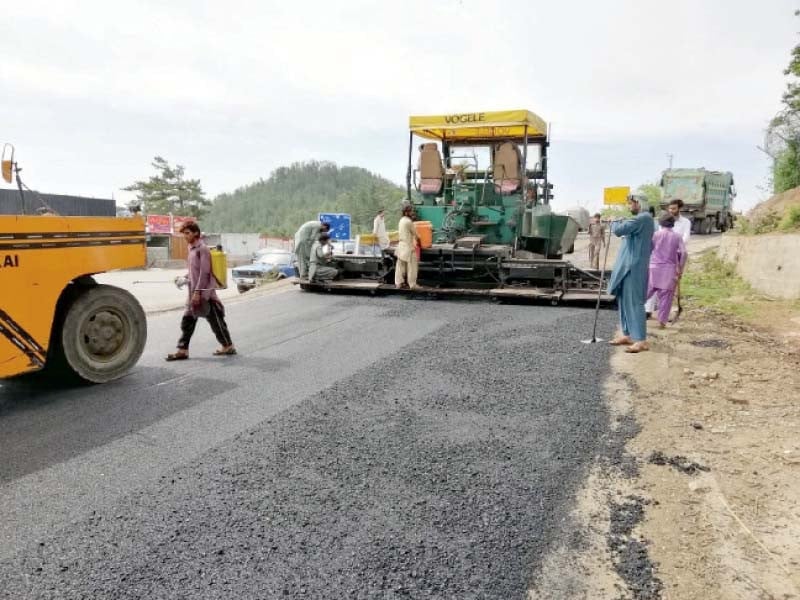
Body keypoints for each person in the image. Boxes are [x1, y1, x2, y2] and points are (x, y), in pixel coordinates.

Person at [166, 222, 235, 361]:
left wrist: (198, 293)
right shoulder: (191, 249)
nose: (185, 236)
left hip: (205, 293)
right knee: (187, 322)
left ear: (196, 233)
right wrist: (183, 278)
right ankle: (182, 350)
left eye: (187, 233)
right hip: (193, 293)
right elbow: (193, 272)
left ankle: (228, 346)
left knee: (216, 321)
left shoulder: (202, 249)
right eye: (184, 233)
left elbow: (204, 273)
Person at [607, 196, 655, 353]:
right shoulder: (642, 220)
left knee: (635, 302)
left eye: (631, 203)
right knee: (624, 301)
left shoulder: (644, 218)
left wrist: (614, 221)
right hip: (628, 266)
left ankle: (641, 340)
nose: (629, 206)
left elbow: (619, 230)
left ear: (639, 203)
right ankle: (628, 334)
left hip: (633, 267)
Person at [645, 198, 690, 317]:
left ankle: (636, 311)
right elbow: (684, 253)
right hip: (670, 265)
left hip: (657, 264)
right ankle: (659, 319)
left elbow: (649, 249)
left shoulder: (685, 222)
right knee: (666, 294)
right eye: (670, 208)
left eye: (674, 208)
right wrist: (680, 268)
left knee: (648, 290)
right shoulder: (676, 236)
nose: (671, 210)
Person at [395, 204, 421, 289]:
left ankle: (399, 283)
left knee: (400, 266)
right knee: (412, 266)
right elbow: (416, 235)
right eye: (411, 211)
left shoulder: (401, 220)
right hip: (408, 247)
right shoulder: (409, 222)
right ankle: (412, 285)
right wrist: (420, 242)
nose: (412, 212)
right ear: (406, 212)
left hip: (400, 246)